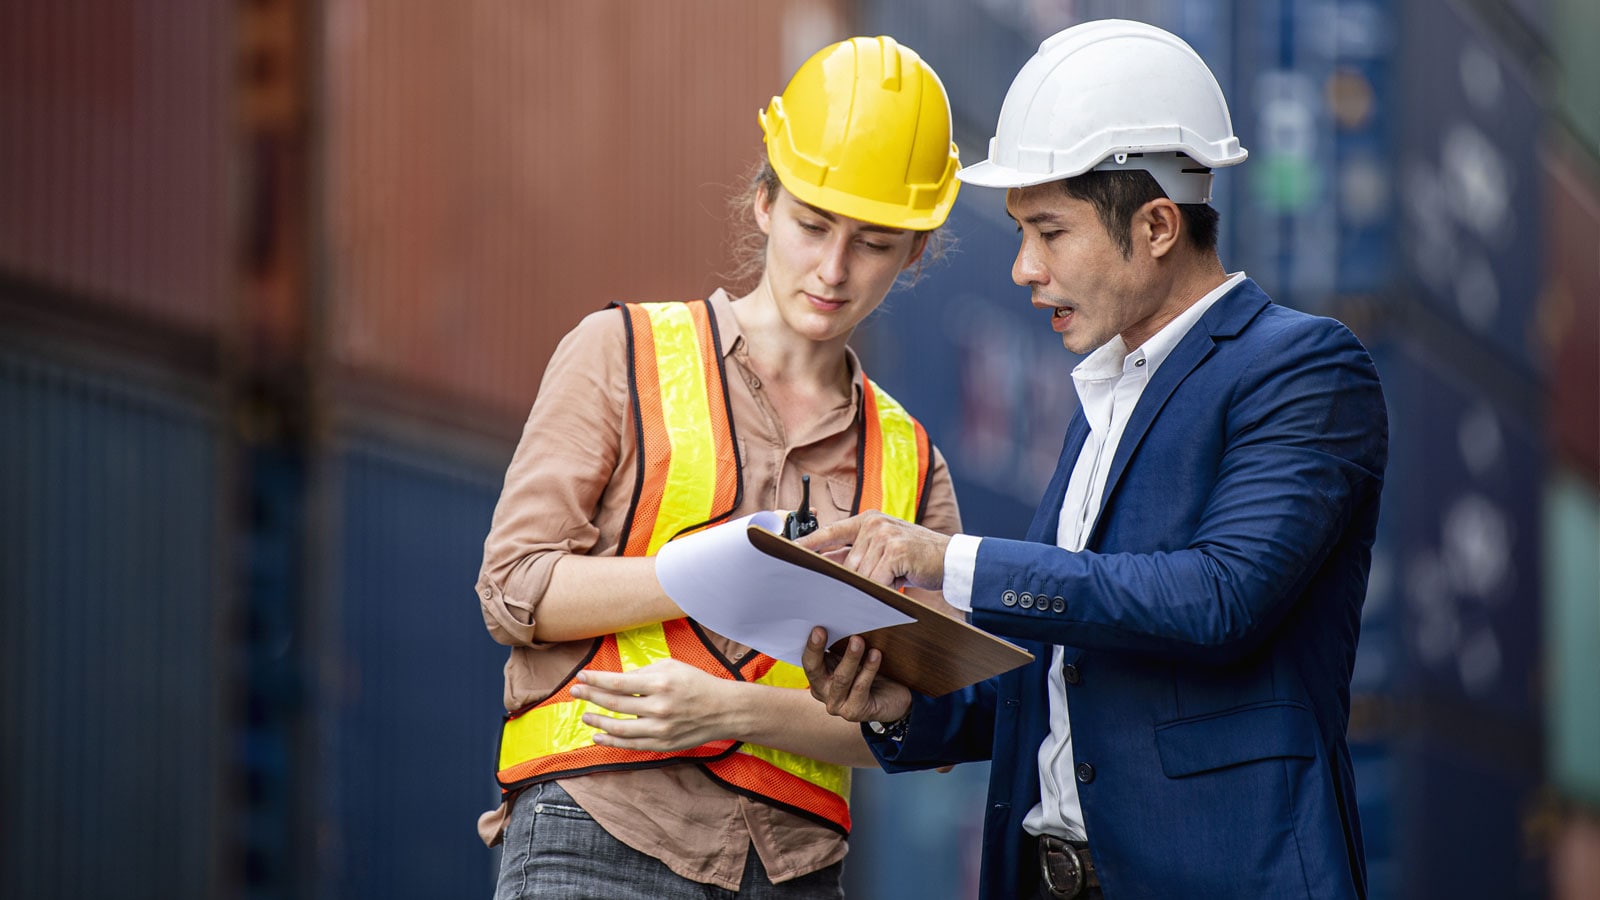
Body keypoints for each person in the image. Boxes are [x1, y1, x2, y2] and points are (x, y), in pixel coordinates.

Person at [798, 19, 1388, 900]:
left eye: (1049, 231)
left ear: (1156, 224)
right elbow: (1075, 682)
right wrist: (908, 705)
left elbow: (1219, 599)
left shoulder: (1303, 369)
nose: (1023, 268)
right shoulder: (1104, 403)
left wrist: (946, 559)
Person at [474, 36, 965, 900]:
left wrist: (731, 711)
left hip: (795, 870)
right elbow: (514, 588)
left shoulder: (912, 464)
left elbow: (925, 715)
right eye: (813, 225)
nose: (833, 268)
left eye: (875, 243)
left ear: (915, 252)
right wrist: (719, 571)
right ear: (765, 203)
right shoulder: (619, 354)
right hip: (597, 830)